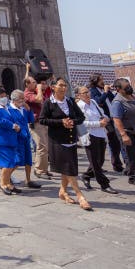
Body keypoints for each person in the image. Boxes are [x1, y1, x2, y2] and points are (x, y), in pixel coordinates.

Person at [38, 77, 91, 211]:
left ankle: (63, 191)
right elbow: (42, 120)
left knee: (67, 168)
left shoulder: (70, 101)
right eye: (60, 85)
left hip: (71, 139)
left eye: (65, 85)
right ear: (53, 87)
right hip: (57, 141)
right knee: (69, 168)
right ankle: (80, 195)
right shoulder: (48, 103)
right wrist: (61, 122)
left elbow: (81, 117)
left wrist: (72, 121)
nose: (63, 88)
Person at [75, 86, 118, 194]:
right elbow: (81, 123)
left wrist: (105, 118)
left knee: (100, 160)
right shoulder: (79, 106)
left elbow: (102, 113)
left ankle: (86, 175)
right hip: (89, 135)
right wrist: (98, 123)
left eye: (88, 92)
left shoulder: (93, 102)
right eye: (84, 93)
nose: (87, 94)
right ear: (79, 95)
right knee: (94, 161)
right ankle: (104, 184)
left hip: (101, 133)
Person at [110, 78, 135, 186]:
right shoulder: (117, 102)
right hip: (129, 132)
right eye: (126, 87)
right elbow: (116, 119)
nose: (129, 88)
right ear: (118, 89)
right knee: (132, 156)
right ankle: (132, 177)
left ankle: (134, 173)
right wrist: (123, 135)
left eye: (129, 86)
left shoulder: (133, 98)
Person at [0, 87, 21, 194]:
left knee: (13, 162)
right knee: (7, 162)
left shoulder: (7, 108)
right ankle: (3, 183)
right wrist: (12, 126)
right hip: (0, 140)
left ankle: (8, 184)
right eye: (1, 97)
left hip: (10, 139)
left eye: (5, 96)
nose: (4, 98)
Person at [89, 73, 124, 172]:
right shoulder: (93, 91)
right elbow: (99, 102)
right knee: (106, 143)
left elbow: (113, 100)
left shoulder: (106, 90)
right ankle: (98, 165)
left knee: (116, 143)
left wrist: (113, 91)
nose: (103, 81)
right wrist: (105, 92)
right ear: (95, 81)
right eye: (100, 79)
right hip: (104, 120)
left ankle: (117, 164)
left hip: (112, 117)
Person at [9, 90, 41, 189]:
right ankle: (5, 177)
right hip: (17, 138)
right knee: (18, 160)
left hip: (26, 136)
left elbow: (31, 120)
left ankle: (28, 180)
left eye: (23, 99)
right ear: (14, 100)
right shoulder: (9, 110)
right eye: (21, 99)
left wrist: (29, 110)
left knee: (28, 160)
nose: (23, 101)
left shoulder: (23, 108)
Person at [24, 71, 53, 179]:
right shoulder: (27, 93)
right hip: (36, 123)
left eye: (36, 82)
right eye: (33, 82)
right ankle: (39, 170)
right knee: (41, 146)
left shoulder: (36, 91)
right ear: (27, 84)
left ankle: (44, 169)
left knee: (46, 147)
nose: (36, 84)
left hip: (44, 121)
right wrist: (39, 89)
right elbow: (39, 99)